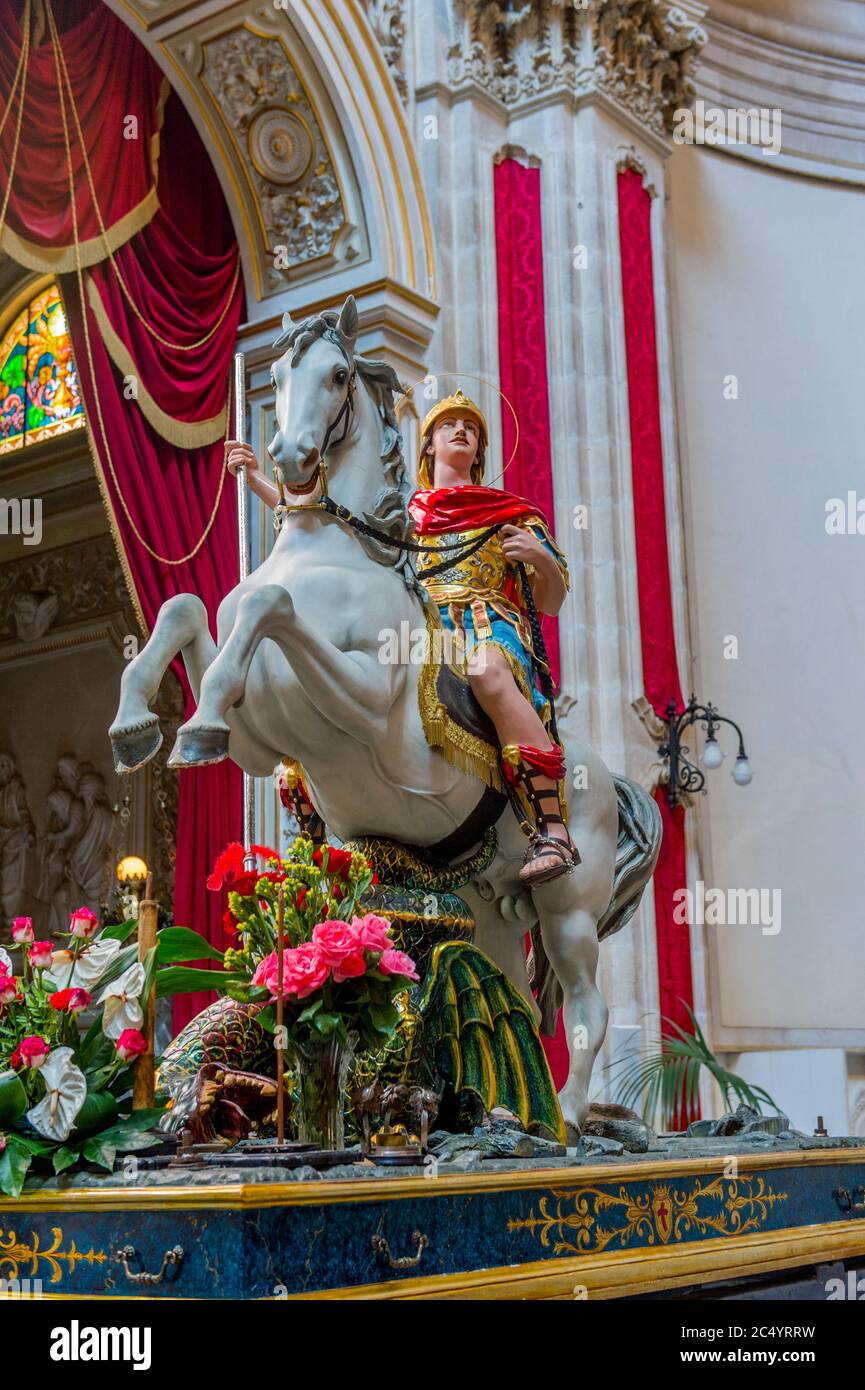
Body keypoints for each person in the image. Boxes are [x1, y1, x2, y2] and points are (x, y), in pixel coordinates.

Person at [408, 390, 577, 884]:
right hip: (423, 628)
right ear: (429, 446)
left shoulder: (509, 513)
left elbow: (550, 601)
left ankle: (552, 828)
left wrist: (539, 557)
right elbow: (333, 523)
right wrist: (268, 487)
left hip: (487, 624)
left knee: (485, 669)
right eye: (448, 425)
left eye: (471, 428)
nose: (460, 431)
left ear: (479, 451)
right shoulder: (405, 518)